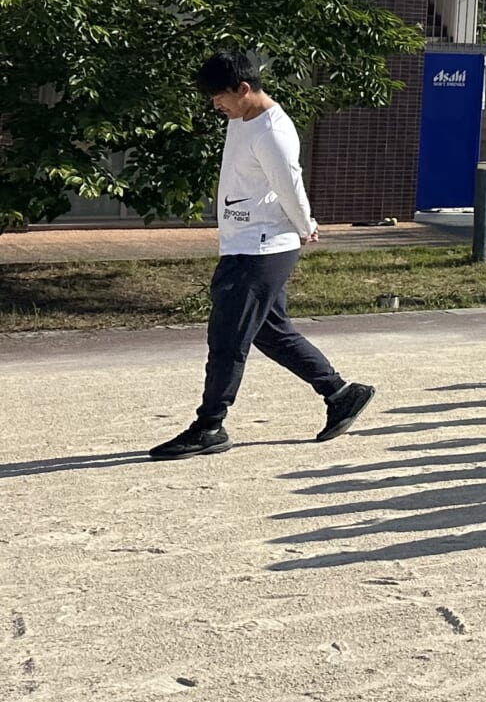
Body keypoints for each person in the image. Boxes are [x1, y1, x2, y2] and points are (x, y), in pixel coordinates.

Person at [150, 53, 375, 460]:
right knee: (271, 332)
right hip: (247, 242)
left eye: (219, 96)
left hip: (260, 247)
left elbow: (290, 184)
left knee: (228, 337)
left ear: (244, 89)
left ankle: (209, 426)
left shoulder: (272, 131)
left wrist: (305, 225)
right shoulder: (242, 119)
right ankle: (341, 394)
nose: (215, 105)